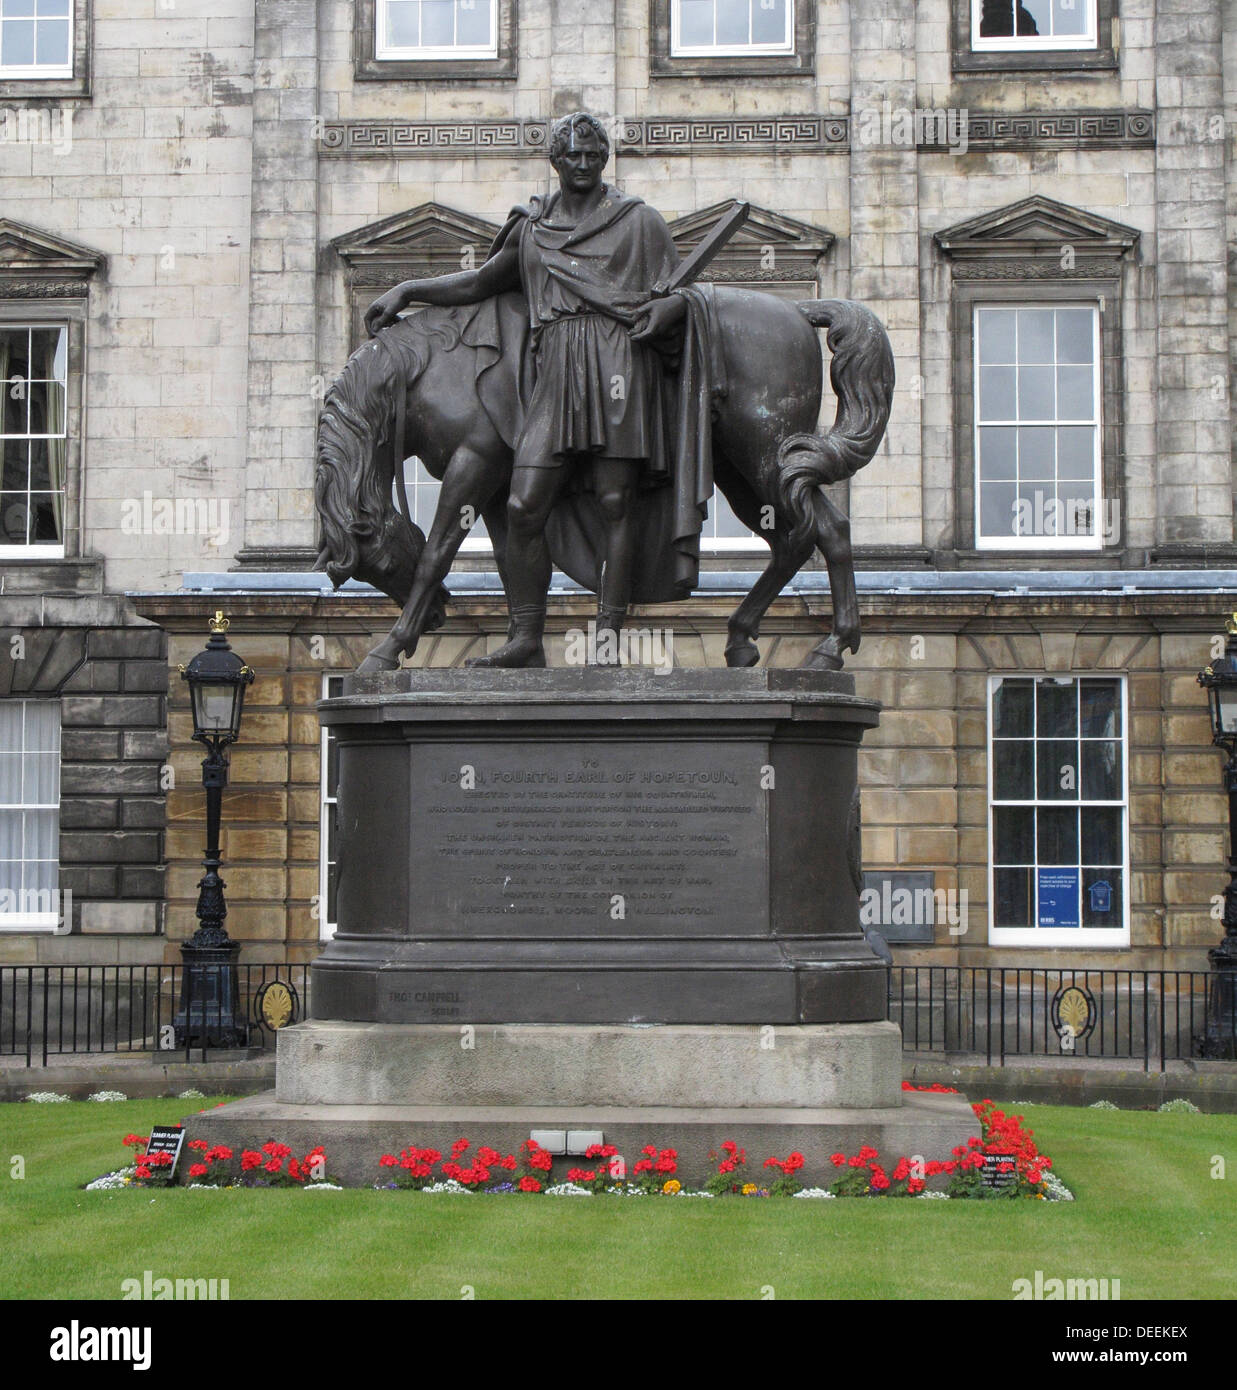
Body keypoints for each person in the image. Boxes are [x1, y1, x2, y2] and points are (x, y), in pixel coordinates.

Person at [364, 111, 695, 667]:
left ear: (605, 158)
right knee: (522, 504)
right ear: (555, 161)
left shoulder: (640, 222)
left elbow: (681, 294)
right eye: (573, 156)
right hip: (555, 369)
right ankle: (525, 637)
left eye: (594, 155)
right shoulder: (533, 226)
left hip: (618, 363)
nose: (584, 165)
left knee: (617, 502)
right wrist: (408, 288)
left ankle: (609, 640)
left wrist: (670, 307)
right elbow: (480, 282)